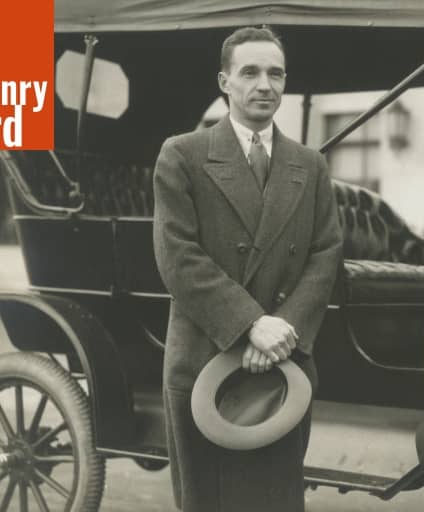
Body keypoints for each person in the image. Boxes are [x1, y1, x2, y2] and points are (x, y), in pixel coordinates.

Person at [152, 26, 343, 512]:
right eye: (250, 72)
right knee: (210, 500)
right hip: (205, 362)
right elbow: (178, 256)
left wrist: (282, 333)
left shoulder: (310, 164)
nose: (265, 85)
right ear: (225, 81)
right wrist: (249, 326)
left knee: (275, 498)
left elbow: (325, 254)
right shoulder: (183, 155)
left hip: (284, 362)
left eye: (276, 73)